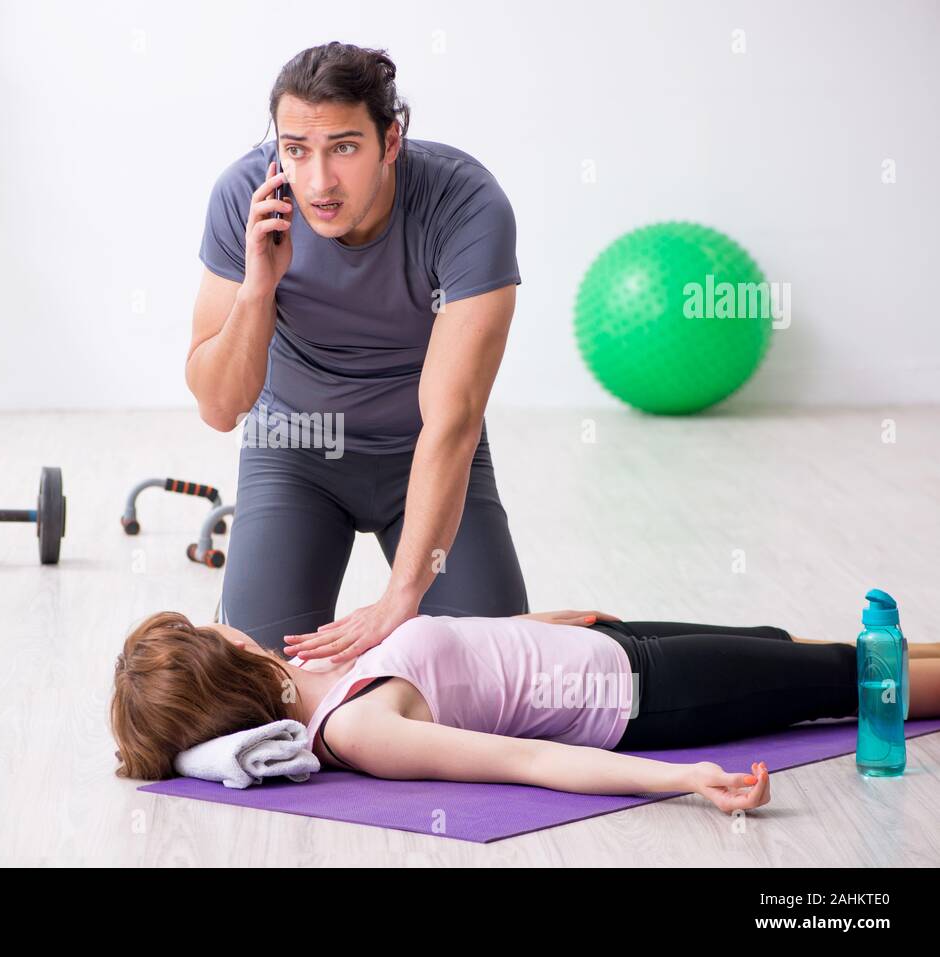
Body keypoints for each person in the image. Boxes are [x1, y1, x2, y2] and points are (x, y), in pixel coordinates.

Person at [187, 42, 527, 663]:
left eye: (344, 147)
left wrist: (401, 598)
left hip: (423, 450)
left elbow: (452, 417)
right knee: (256, 687)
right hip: (294, 453)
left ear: (390, 141)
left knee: (494, 674)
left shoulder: (467, 204)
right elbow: (218, 407)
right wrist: (258, 288)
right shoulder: (245, 194)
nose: (318, 182)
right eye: (297, 150)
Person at [110, 608, 940, 814]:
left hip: (611, 644)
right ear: (229, 660)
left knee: (807, 645)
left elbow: (469, 648)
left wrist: (546, 621)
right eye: (201, 625)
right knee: (850, 679)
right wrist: (685, 782)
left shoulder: (320, 665)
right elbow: (531, 763)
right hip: (642, 699)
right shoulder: (359, 728)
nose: (217, 615)